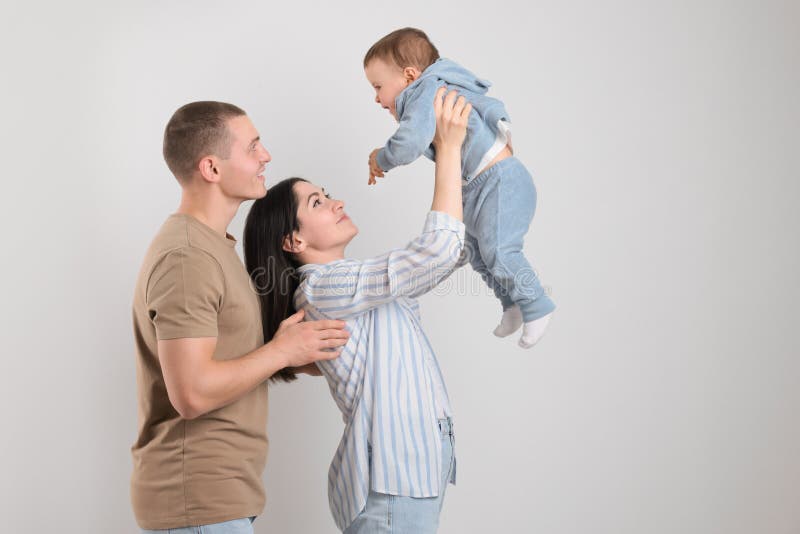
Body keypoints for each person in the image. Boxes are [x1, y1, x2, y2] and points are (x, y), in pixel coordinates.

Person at [243, 88, 470, 533]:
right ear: (293, 241)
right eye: (317, 202)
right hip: (394, 479)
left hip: (411, 472)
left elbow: (450, 252)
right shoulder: (322, 288)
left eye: (326, 195)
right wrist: (448, 150)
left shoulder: (355, 286)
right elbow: (437, 251)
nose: (337, 202)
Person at [130, 101, 350, 533]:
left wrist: (293, 356)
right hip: (198, 501)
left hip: (217, 501)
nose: (266, 156)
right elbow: (191, 393)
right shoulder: (187, 257)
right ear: (211, 168)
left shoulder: (213, 246)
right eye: (252, 147)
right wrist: (281, 352)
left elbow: (223, 361)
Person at [364, 27, 556, 348]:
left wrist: (381, 158)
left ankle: (537, 304)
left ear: (409, 76)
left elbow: (409, 143)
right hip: (479, 185)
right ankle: (511, 305)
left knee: (499, 251)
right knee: (478, 253)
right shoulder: (431, 88)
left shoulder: (424, 91)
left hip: (499, 180)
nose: (376, 98)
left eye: (378, 87)